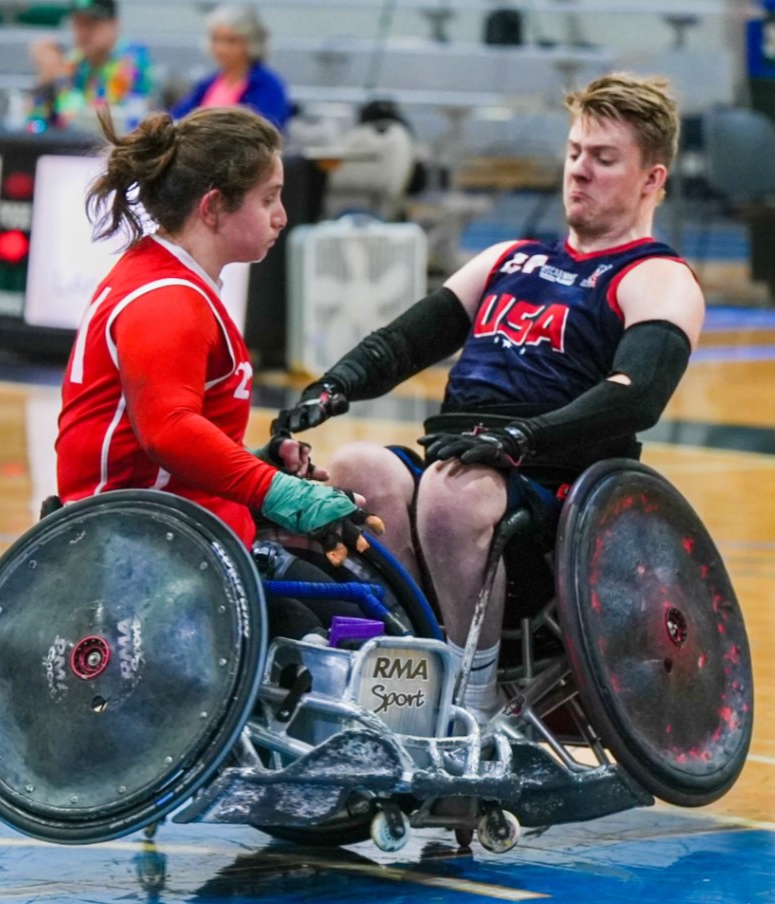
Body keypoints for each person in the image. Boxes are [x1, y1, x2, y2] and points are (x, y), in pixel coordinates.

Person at [275, 72, 704, 722]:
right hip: (465, 453)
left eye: (603, 159)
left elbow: (635, 396)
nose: (579, 171)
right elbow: (403, 343)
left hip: (551, 481)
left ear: (652, 179)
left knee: (454, 490)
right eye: (573, 153)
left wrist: (519, 439)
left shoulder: (655, 276)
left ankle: (472, 689)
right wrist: (333, 386)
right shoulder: (511, 257)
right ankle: (414, 663)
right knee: (358, 468)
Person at [56, 106, 378, 637]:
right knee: (356, 626)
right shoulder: (168, 302)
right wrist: (279, 492)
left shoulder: (160, 271)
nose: (282, 216)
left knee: (353, 605)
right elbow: (167, 431)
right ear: (212, 208)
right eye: (268, 198)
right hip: (143, 549)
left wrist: (257, 465)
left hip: (163, 531)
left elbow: (150, 449)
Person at [29, 0, 151, 131]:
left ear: (113, 25)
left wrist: (59, 79)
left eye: (90, 24)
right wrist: (46, 85)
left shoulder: (132, 61)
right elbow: (35, 124)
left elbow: (103, 121)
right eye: (77, 24)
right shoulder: (75, 61)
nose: (82, 33)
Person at [170, 4, 290, 130]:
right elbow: (177, 118)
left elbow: (265, 132)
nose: (222, 49)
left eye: (231, 41)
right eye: (216, 40)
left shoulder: (268, 86)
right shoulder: (206, 84)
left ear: (252, 43)